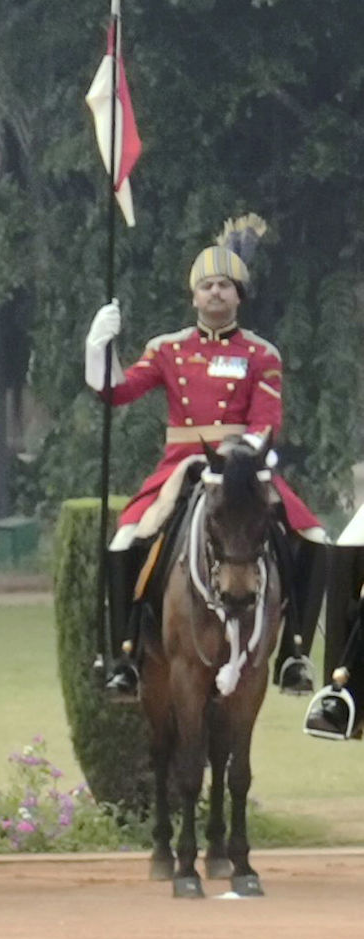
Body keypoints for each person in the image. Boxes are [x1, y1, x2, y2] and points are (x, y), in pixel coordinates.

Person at [85, 217, 325, 712]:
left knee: (314, 540)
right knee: (126, 538)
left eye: (225, 286)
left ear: (239, 296)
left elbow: (266, 420)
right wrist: (97, 350)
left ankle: (295, 653)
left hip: (244, 467)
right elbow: (118, 391)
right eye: (207, 286)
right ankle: (125, 655)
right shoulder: (168, 349)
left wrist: (247, 461)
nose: (216, 293)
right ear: (194, 297)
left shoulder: (261, 354)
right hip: (183, 465)